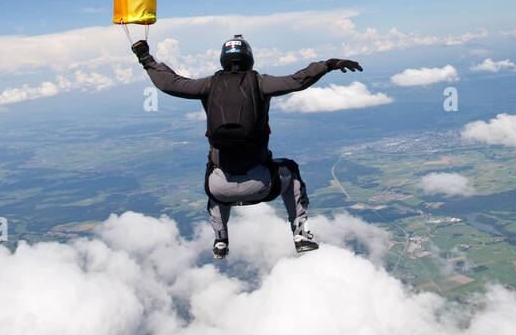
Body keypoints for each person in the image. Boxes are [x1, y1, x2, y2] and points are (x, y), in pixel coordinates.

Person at [131, 33, 363, 259]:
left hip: (219, 189)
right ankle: (300, 235)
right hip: (262, 184)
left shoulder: (208, 85)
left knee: (214, 170)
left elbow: (169, 83)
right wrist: (328, 64)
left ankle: (220, 240)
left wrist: (145, 57)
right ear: (249, 58)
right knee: (290, 169)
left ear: (223, 58)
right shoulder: (261, 83)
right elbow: (297, 80)